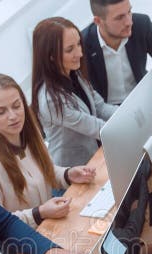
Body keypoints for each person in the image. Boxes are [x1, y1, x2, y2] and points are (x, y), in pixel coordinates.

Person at [0, 73, 96, 229]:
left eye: (16, 106)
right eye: (1, 112)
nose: (13, 116)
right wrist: (39, 213)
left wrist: (68, 174)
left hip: (52, 224)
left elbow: (45, 171)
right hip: (23, 243)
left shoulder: (28, 130)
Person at [32, 16, 118, 167]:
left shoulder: (74, 73)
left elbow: (101, 107)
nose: (80, 53)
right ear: (50, 56)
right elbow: (94, 127)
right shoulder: (49, 99)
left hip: (93, 160)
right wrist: (129, 125)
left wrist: (128, 113)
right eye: (70, 49)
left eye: (78, 44)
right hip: (73, 176)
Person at [81, 0, 152, 105]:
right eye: (119, 18)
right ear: (98, 21)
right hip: (106, 111)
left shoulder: (141, 24)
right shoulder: (82, 45)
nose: (129, 22)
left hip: (143, 98)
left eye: (129, 12)